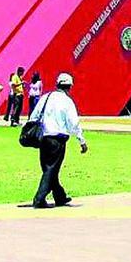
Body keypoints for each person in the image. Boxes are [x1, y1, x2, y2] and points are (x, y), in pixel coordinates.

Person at [28, 72, 88, 209]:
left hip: (44, 138)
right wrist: (81, 140)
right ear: (69, 87)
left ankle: (60, 196)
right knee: (51, 169)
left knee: (49, 168)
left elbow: (34, 116)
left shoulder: (46, 97)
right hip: (58, 139)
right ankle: (39, 199)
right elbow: (73, 123)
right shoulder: (67, 101)